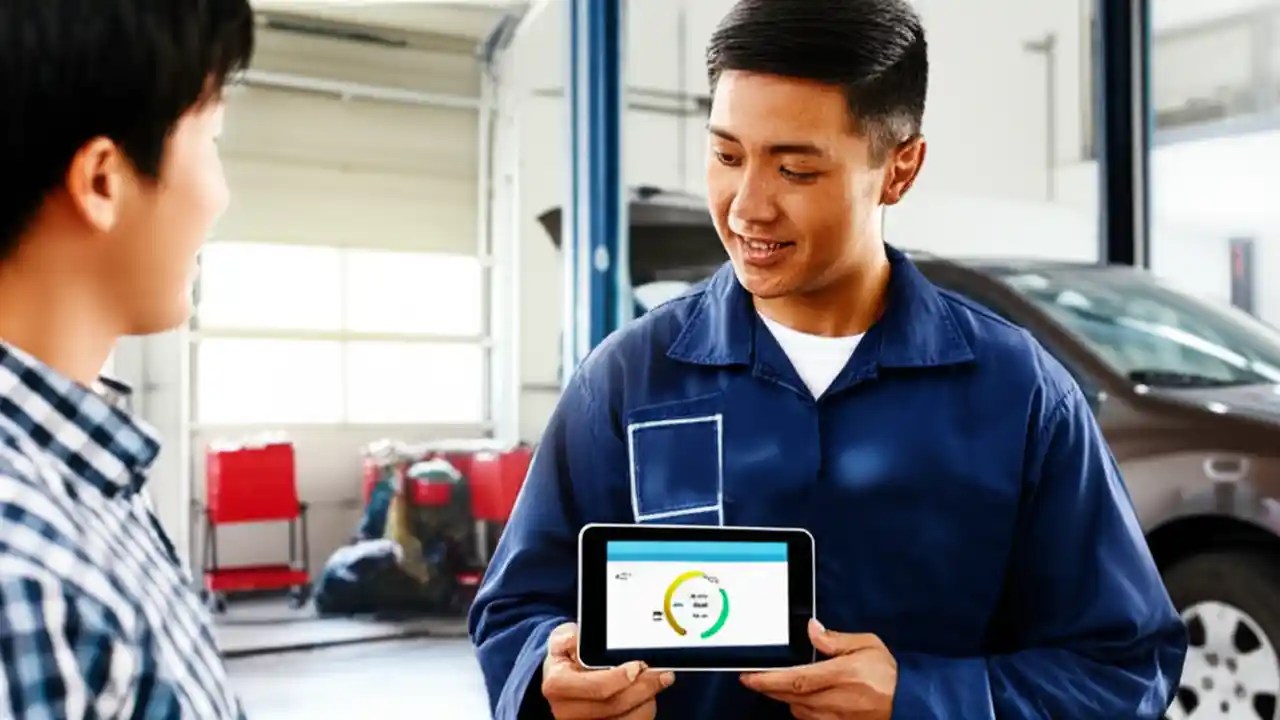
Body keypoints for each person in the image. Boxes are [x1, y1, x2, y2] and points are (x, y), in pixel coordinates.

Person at [469, 0, 1189, 717]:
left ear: (900, 169)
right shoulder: (627, 380)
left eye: (796, 170)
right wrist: (550, 676)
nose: (747, 206)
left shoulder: (1020, 395)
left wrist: (925, 701)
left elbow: (1124, 668)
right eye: (726, 156)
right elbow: (518, 608)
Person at [0, 1, 254, 716]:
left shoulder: (82, 480)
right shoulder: (23, 572)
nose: (220, 194)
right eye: (212, 140)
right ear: (103, 180)